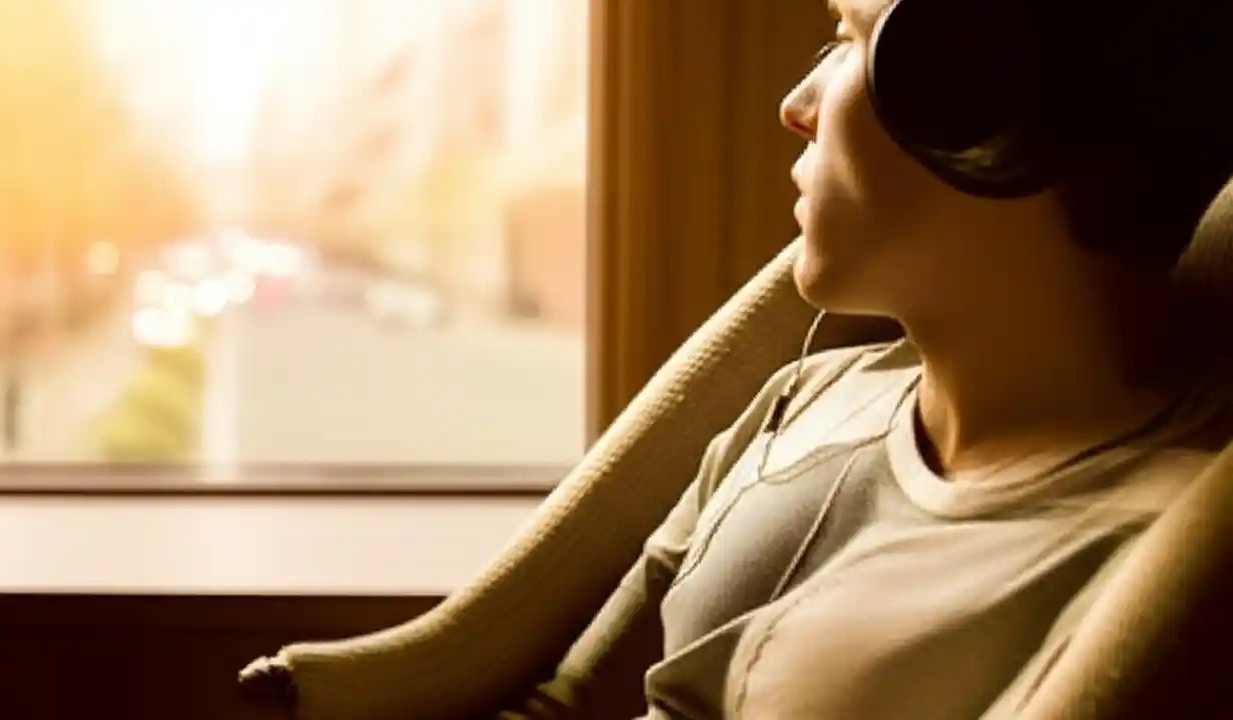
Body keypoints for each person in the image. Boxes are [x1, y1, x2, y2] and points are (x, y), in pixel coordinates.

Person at [501, 0, 1233, 718]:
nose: (796, 105)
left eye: (850, 40)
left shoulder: (1168, 577)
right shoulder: (807, 394)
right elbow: (569, 703)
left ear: (988, 106)